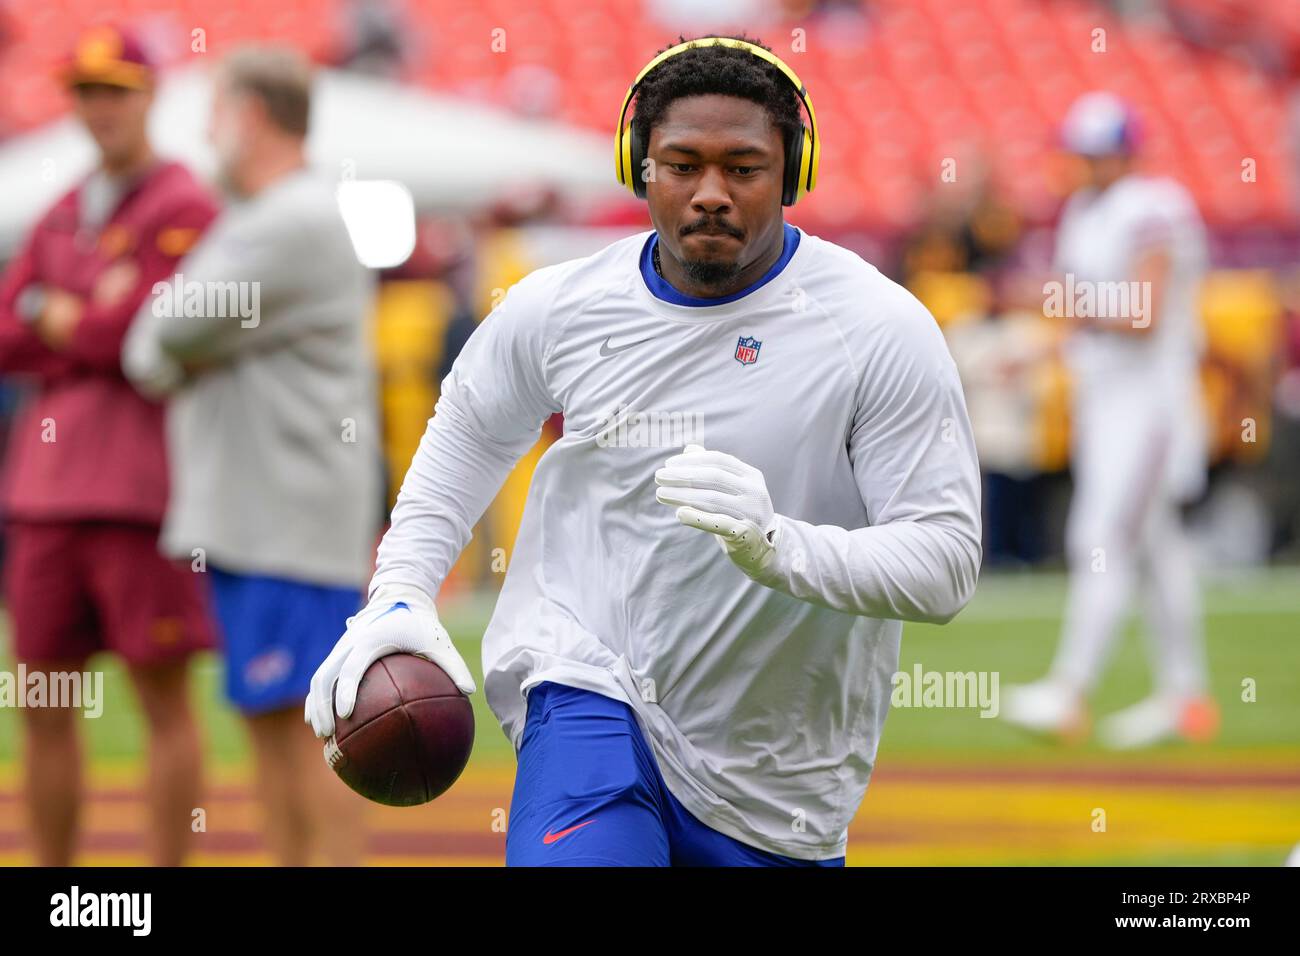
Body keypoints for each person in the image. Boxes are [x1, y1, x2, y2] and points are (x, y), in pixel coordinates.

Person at [306, 34, 982, 866]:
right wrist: (401, 592)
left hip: (777, 770)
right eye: (681, 164)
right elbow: (469, 432)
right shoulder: (561, 304)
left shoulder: (879, 329)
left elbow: (946, 565)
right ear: (639, 166)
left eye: (743, 168)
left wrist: (779, 547)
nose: (709, 194)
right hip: (587, 680)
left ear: (794, 173)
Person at [123, 47, 380, 865]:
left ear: (253, 117)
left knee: (312, 736)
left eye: (216, 112)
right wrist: (185, 346)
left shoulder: (287, 218)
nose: (205, 133)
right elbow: (163, 344)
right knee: (279, 728)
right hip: (270, 519)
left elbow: (156, 340)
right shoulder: (273, 217)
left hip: (287, 521)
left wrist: (187, 348)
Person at [0, 24, 218, 865]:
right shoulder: (63, 202)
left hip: (137, 493)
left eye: (115, 90)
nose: (98, 108)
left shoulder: (184, 202)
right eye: (86, 91)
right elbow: (13, 329)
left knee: (162, 696)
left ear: (149, 95)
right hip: (44, 494)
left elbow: (136, 336)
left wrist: (62, 310)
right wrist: (79, 314)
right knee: (43, 702)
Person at [1001, 92, 1219, 749]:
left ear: (1126, 154)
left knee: (1099, 535)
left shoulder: (1154, 206)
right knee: (1158, 550)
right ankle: (1187, 697)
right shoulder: (1083, 213)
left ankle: (1069, 692)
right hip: (1107, 400)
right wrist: (1030, 353)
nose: (1086, 166)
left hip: (1148, 402)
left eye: (1097, 154)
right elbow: (1083, 320)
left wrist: (1061, 302)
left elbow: (1143, 315)